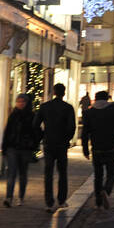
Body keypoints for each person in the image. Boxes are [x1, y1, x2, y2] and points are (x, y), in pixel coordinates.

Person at [81, 90, 114, 209]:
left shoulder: (89, 113)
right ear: (107, 99)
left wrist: (85, 150)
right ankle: (106, 191)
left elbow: (85, 133)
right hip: (110, 148)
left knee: (98, 175)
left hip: (96, 149)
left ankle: (98, 202)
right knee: (112, 173)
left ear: (95, 99)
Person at [35, 82, 77, 213]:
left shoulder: (45, 107)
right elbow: (72, 127)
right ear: (64, 93)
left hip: (48, 143)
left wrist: (42, 136)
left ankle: (49, 202)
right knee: (62, 172)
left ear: (53, 92)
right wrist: (67, 139)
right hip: (61, 144)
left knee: (48, 173)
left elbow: (35, 124)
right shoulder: (68, 108)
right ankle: (61, 200)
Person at [1, 94, 38, 207]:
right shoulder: (13, 115)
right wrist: (4, 147)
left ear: (26, 103)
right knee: (11, 173)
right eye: (18, 101)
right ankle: (9, 197)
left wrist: (33, 145)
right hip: (12, 147)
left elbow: (35, 132)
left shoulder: (31, 116)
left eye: (22, 101)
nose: (20, 103)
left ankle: (21, 197)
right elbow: (7, 131)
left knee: (22, 173)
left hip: (25, 149)